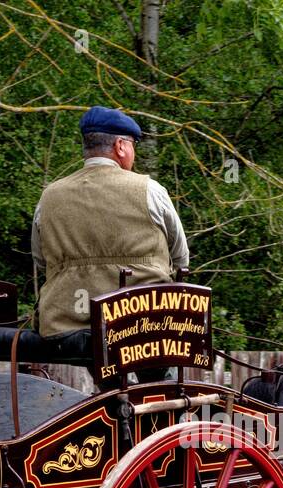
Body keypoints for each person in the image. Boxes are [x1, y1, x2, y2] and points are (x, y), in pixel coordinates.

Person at [30, 106, 189, 351]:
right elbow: (181, 258)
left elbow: (42, 262)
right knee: (157, 377)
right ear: (121, 146)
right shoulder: (149, 190)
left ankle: (109, 387)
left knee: (108, 379)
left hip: (63, 328)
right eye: (133, 145)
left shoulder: (48, 197)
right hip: (142, 326)